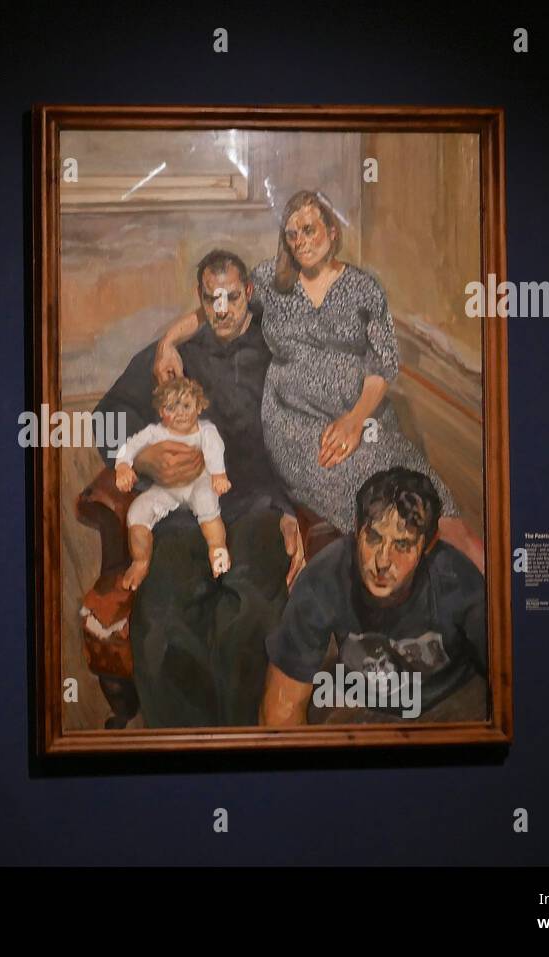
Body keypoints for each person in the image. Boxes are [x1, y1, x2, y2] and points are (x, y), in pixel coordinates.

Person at [154, 191, 484, 572]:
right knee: (384, 500)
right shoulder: (270, 282)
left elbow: (383, 364)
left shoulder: (364, 288)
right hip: (294, 426)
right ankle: (413, 578)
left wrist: (355, 419)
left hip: (361, 420)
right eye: (292, 234)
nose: (301, 242)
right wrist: (167, 343)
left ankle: (486, 596)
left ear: (331, 230)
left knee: (432, 499)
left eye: (309, 230)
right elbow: (213, 308)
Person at [92, 250, 302, 728]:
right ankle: (183, 750)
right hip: (181, 508)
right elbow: (106, 416)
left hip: (256, 503)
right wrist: (142, 458)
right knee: (164, 616)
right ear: (200, 301)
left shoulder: (279, 343)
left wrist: (290, 510)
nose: (222, 310)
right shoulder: (175, 354)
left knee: (249, 611)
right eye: (212, 300)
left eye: (231, 297)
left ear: (249, 293)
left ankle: (242, 747)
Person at [261, 467, 487, 725]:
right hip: (362, 708)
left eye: (402, 545)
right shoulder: (324, 578)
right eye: (374, 537)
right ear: (357, 530)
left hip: (452, 702)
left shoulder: (458, 581)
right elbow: (281, 708)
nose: (382, 561)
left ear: (428, 545)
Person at [113, 376, 231, 590]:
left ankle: (217, 549)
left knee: (207, 502)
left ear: (199, 407)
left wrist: (218, 474)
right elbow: (128, 446)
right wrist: (122, 466)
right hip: (167, 489)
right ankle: (140, 561)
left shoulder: (206, 431)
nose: (180, 413)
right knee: (137, 512)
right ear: (161, 412)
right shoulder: (154, 432)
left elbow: (215, 450)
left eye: (186, 405)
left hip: (198, 483)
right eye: (171, 407)